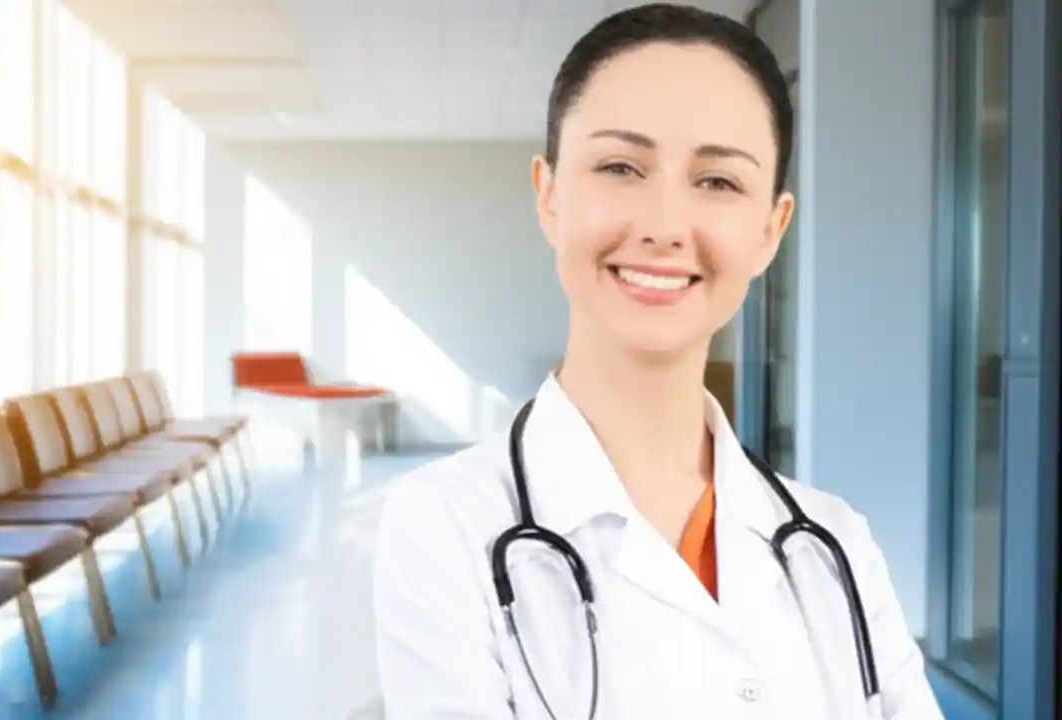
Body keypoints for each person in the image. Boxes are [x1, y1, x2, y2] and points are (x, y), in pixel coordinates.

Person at [372, 4, 943, 719]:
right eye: (620, 167)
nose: (665, 227)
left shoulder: (836, 547)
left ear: (771, 229)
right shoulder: (446, 528)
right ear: (549, 196)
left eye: (718, 182)